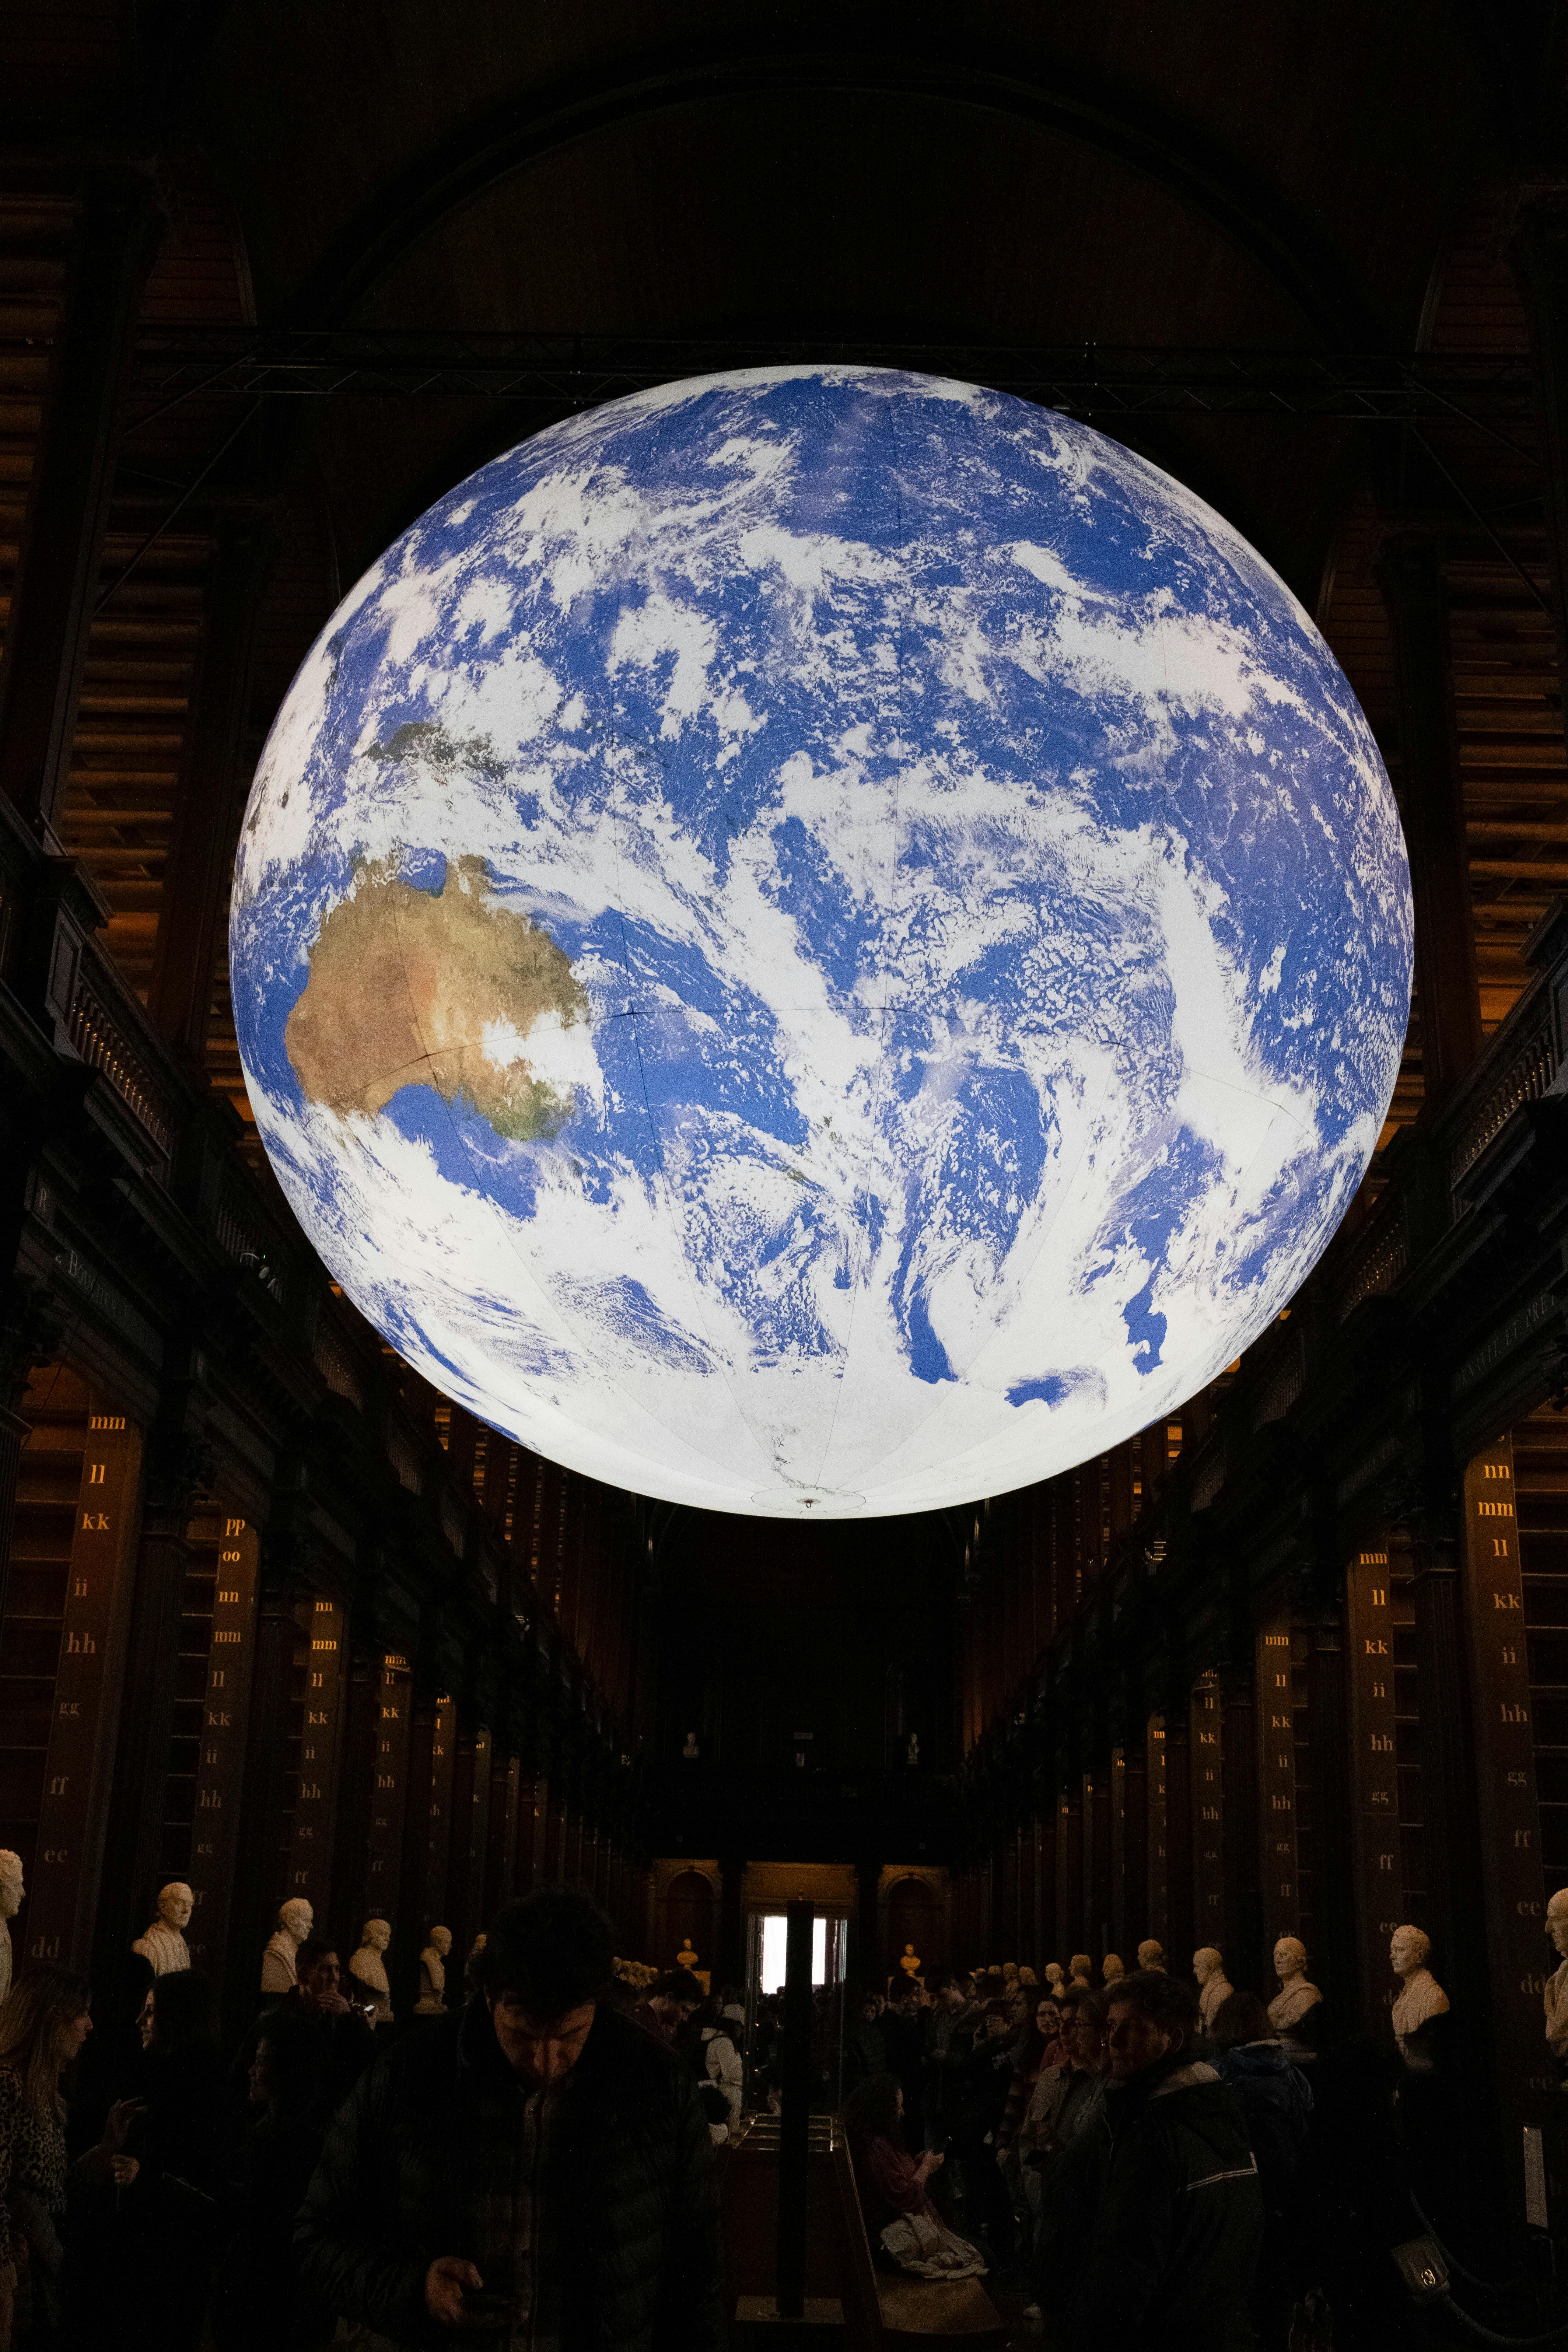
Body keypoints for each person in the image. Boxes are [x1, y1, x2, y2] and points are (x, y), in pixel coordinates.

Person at [297, 1888, 723, 2352]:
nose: (545, 2061)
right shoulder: (406, 2077)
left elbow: (698, 2271)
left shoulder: (657, 2090)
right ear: (488, 1996)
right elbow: (317, 2237)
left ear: (600, 2003)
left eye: (569, 2035)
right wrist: (414, 2288)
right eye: (521, 2033)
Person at [1067, 1970, 1263, 2352]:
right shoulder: (1219, 2110)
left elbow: (1128, 2269)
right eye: (1110, 2026)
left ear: (1171, 2040)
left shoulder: (1151, 2133)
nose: (1114, 2041)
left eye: (1134, 2029)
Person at [0, 1968, 140, 2350]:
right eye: (83, 2014)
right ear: (53, 2018)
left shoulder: (44, 2091)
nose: (90, 2026)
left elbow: (49, 2186)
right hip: (19, 2273)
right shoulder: (7, 2084)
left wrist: (107, 2148)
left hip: (42, 2265)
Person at [212, 2009, 335, 2352]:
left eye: (263, 2061)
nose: (252, 2071)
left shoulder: (286, 2144)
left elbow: (263, 2220)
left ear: (288, 2070)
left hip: (267, 2295)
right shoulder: (299, 2135)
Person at [1211, 1991, 1312, 2346]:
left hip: (1235, 2197)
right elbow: (1304, 2131)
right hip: (1286, 2196)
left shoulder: (1217, 2074)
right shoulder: (1293, 2077)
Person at [238, 1938, 375, 2122]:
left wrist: (350, 2021)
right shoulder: (274, 2021)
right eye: (325, 1969)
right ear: (303, 1975)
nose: (334, 1978)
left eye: (337, 1969)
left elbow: (368, 2063)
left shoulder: (342, 2019)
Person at [950, 2002, 1017, 2261]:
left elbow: (982, 2082)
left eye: (995, 2020)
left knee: (993, 2192)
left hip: (990, 2125)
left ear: (1009, 2023)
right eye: (987, 2020)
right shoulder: (990, 2049)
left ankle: (998, 2251)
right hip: (978, 2125)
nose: (990, 2025)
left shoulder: (1006, 2053)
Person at [629, 1968, 703, 2048]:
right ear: (670, 1998)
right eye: (684, 2010)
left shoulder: (664, 2028)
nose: (685, 2018)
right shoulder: (639, 2023)